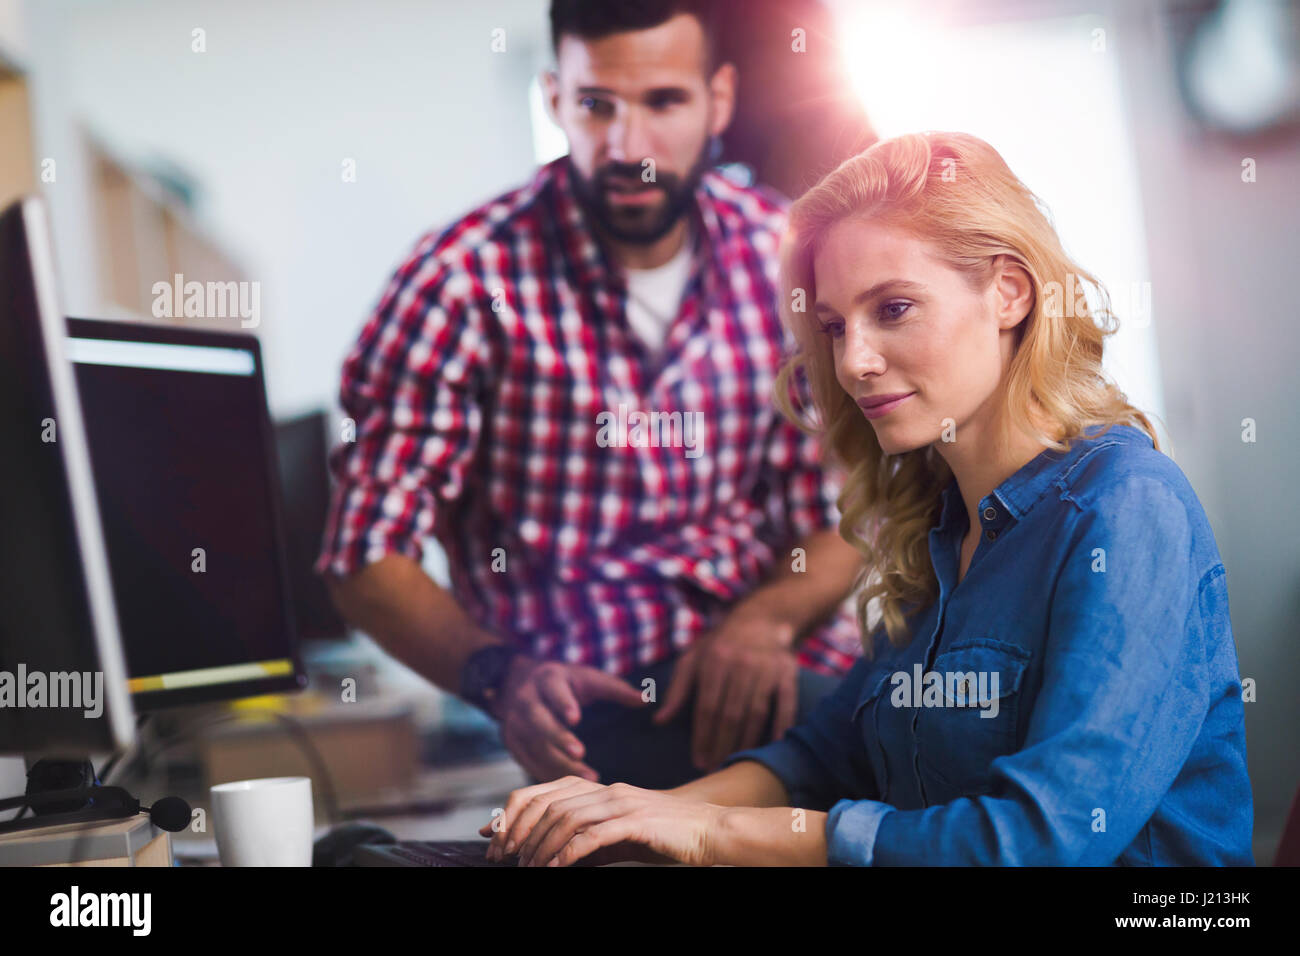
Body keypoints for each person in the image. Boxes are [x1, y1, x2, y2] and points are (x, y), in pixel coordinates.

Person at [478, 131, 1255, 866]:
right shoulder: (939, 528)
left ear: (1010, 293)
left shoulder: (1126, 506)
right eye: (832, 325)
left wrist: (712, 833)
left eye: (893, 309)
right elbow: (821, 756)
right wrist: (633, 812)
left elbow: (1041, 841)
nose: (853, 361)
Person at [316, 0, 865, 790]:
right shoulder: (460, 281)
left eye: (664, 102)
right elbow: (366, 555)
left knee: (943, 748)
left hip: (785, 667)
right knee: (890, 782)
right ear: (554, 100)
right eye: (596, 105)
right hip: (595, 706)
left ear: (719, 101)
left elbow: (844, 514)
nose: (628, 147)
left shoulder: (784, 258)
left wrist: (765, 619)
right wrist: (500, 677)